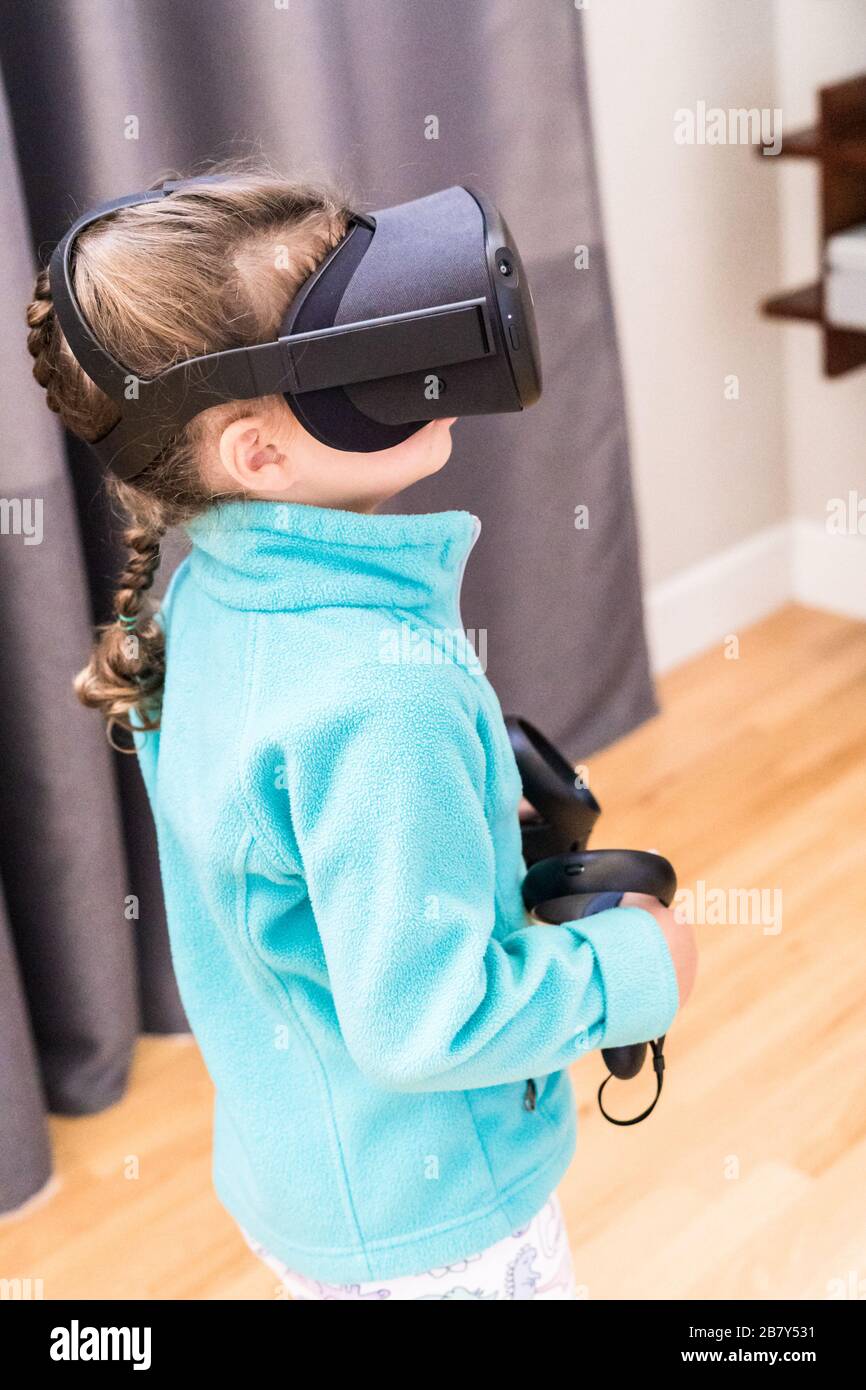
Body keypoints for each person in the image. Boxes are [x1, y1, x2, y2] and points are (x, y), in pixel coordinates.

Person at [27, 163, 697, 1300]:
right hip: (437, 1225)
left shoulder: (211, 597)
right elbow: (426, 1022)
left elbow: (302, 882)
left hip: (314, 1181)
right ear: (256, 453)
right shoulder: (378, 693)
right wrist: (631, 969)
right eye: (357, 334)